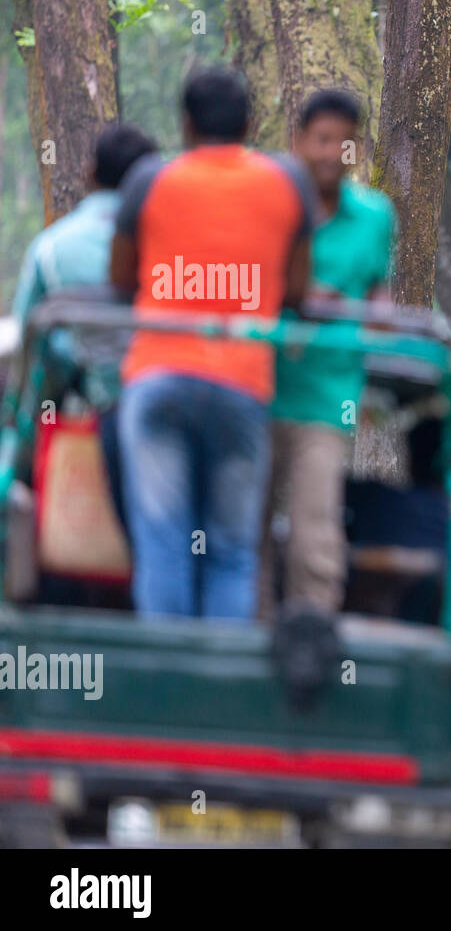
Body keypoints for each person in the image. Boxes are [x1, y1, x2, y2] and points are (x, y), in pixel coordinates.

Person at [109, 66, 317, 622]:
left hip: (158, 376)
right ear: (250, 122)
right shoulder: (288, 181)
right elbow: (297, 288)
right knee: (229, 548)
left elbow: (118, 277)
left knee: (163, 539)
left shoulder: (149, 179)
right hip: (240, 382)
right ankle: (218, 691)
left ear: (184, 124)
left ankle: (166, 686)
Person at [261, 89, 395, 617]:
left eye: (344, 142)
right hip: (261, 385)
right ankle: (247, 638)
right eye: (321, 140)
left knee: (314, 529)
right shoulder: (271, 207)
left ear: (357, 151)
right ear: (298, 143)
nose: (330, 153)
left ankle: (312, 638)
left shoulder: (375, 215)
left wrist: (378, 311)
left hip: (329, 394)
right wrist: (307, 299)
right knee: (244, 524)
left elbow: (377, 287)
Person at [10, 124, 158, 525]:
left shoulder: (53, 247)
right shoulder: (170, 241)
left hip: (99, 400)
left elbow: (28, 337)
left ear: (91, 173)